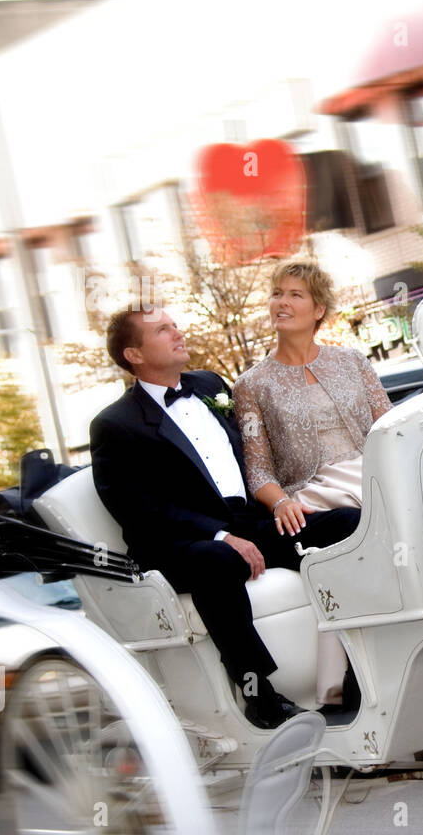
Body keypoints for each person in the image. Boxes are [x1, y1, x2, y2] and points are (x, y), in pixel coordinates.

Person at [90, 307, 361, 729]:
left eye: (175, 324)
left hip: (248, 520)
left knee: (343, 525)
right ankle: (260, 696)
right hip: (180, 542)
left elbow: (254, 457)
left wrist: (279, 502)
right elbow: (139, 510)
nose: (177, 332)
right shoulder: (113, 425)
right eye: (163, 330)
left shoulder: (210, 385)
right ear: (134, 354)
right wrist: (218, 536)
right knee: (217, 562)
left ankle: (355, 670)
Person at [233, 257, 392, 707]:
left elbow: (390, 426)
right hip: (315, 491)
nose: (281, 302)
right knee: (343, 540)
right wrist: (280, 502)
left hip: (375, 473)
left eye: (294, 294)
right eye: (276, 293)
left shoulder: (353, 361)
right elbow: (258, 469)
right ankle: (344, 688)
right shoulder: (252, 384)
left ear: (318, 308)